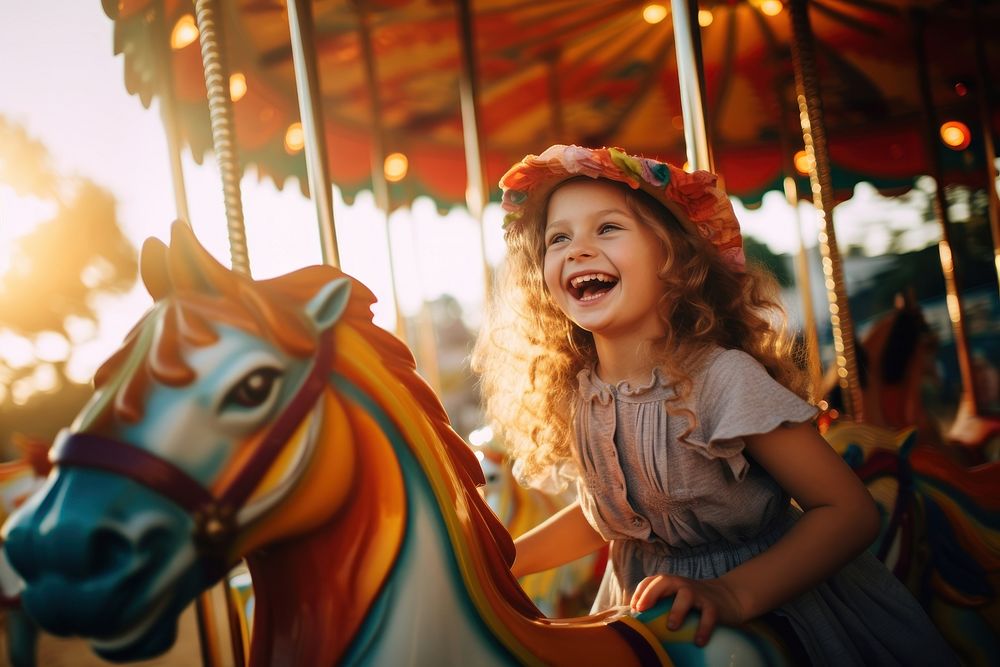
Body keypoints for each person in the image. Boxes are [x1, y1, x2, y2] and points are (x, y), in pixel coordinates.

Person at [472, 145, 957, 665]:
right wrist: (505, 560)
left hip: (764, 603)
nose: (578, 249)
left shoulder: (721, 379)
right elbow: (619, 518)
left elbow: (848, 512)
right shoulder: (581, 393)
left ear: (671, 256)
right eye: (558, 238)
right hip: (642, 608)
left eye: (607, 228)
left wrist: (732, 593)